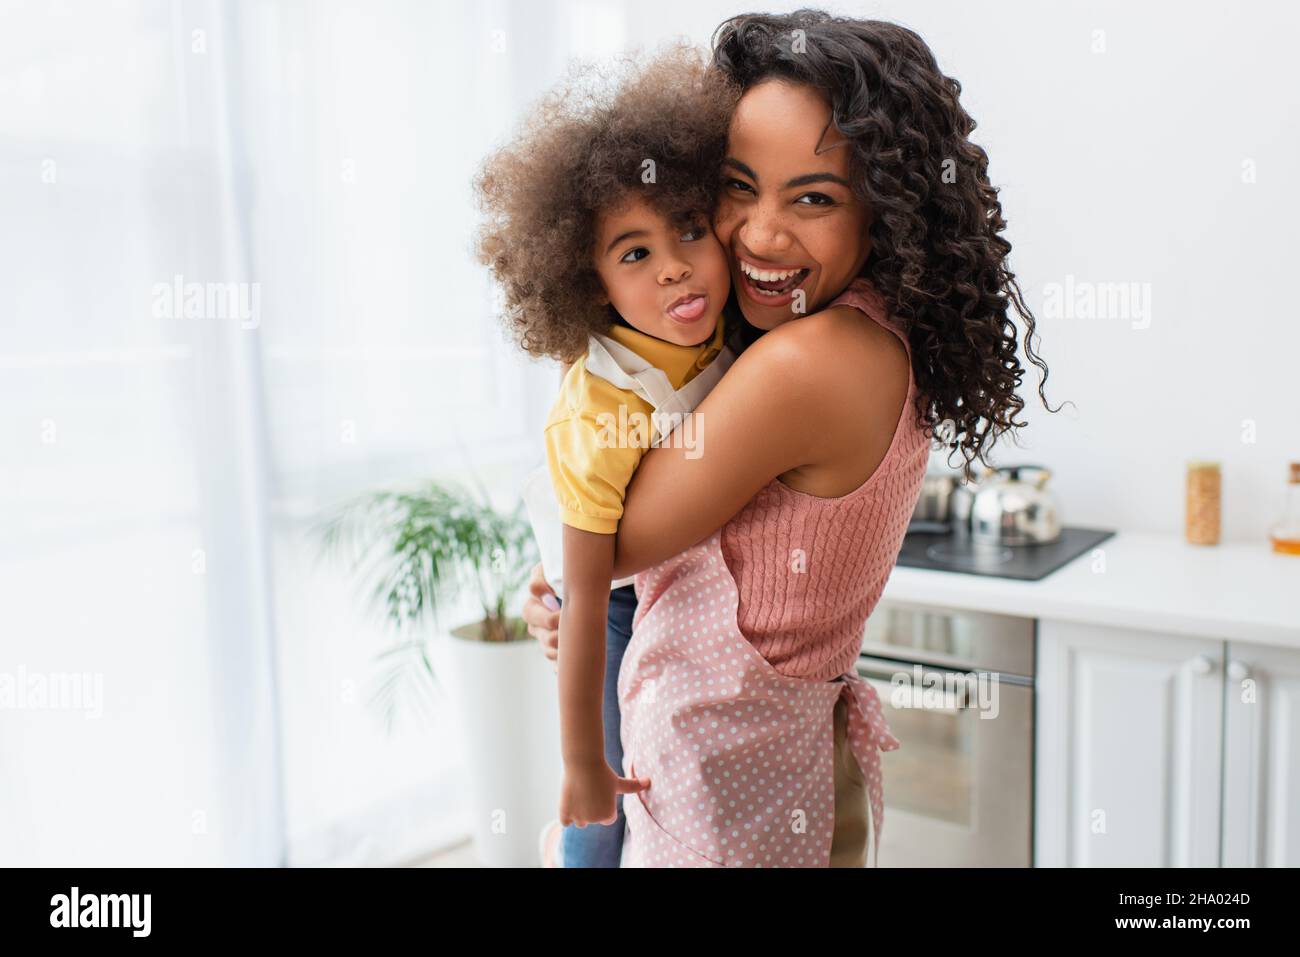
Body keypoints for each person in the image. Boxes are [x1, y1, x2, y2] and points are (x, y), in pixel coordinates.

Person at [523, 11, 1057, 867]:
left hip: (719, 791)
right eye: (737, 187)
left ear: (884, 210)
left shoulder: (809, 362)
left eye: (813, 197)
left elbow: (606, 538)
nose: (761, 236)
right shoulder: (869, 326)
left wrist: (565, 580)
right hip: (757, 775)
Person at [475, 45, 740, 867]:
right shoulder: (600, 412)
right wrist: (582, 762)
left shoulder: (724, 324)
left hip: (676, 585)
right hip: (608, 600)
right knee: (605, 807)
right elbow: (584, 599)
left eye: (691, 230)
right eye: (635, 254)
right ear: (590, 287)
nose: (675, 267)